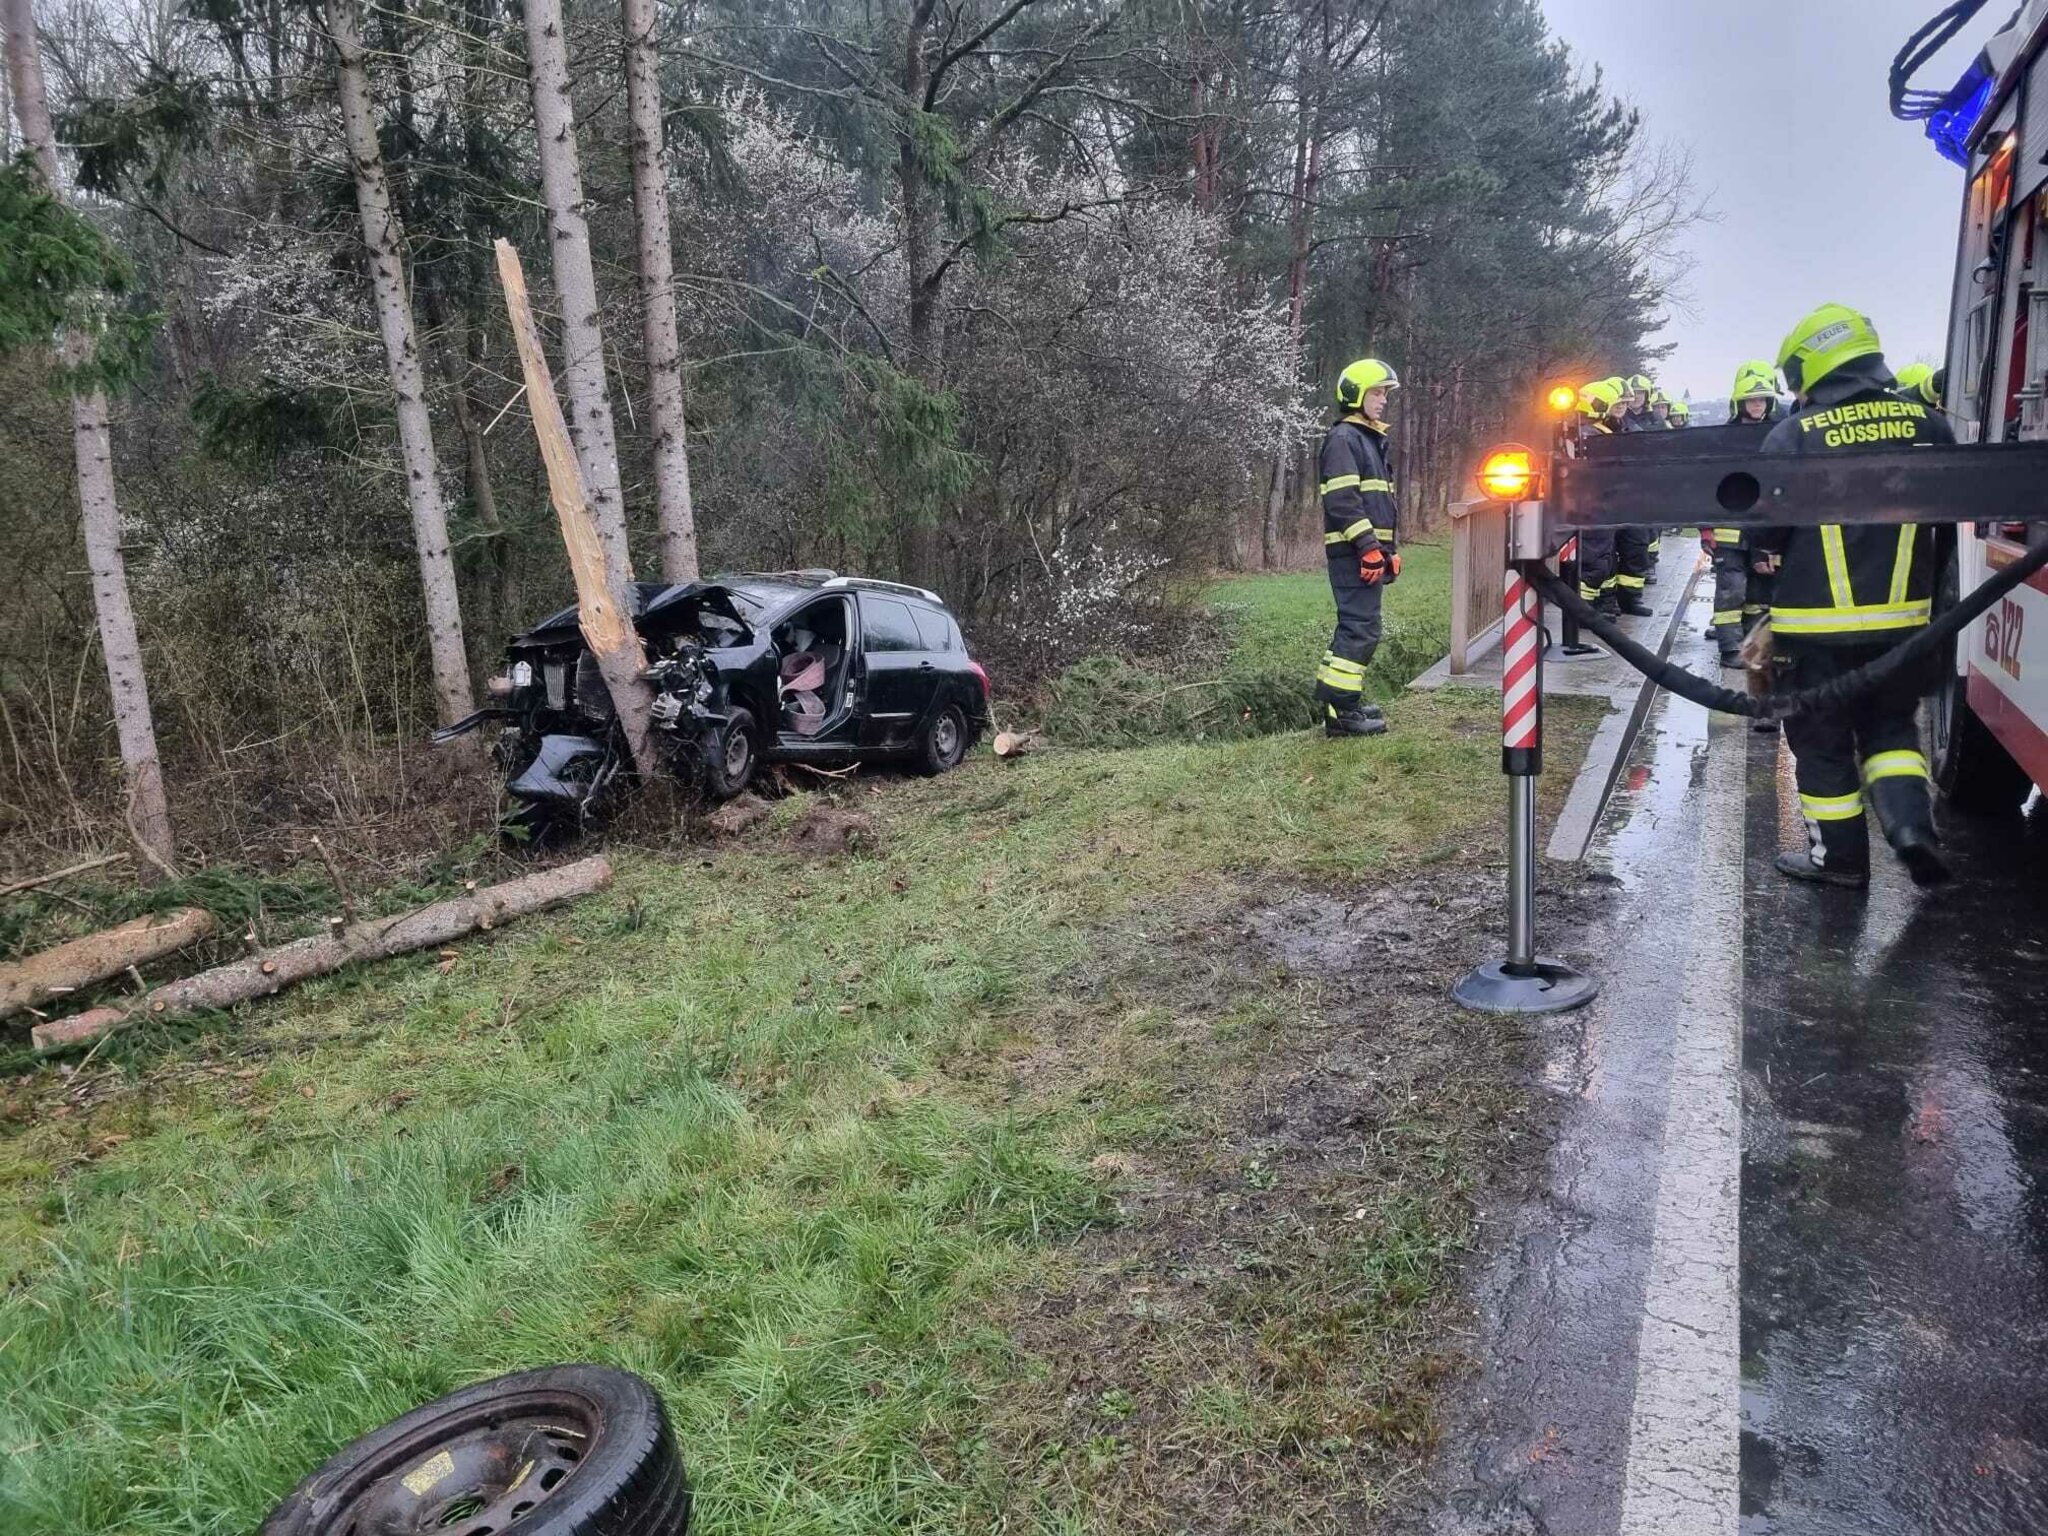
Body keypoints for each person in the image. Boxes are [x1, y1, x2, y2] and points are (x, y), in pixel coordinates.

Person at [1756, 304, 1953, 889]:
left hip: (1813, 631)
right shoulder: (1929, 425)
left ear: (1810, 364)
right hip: (1905, 629)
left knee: (1819, 743)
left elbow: (1765, 530)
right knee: (1891, 731)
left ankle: (1839, 860)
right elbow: (1948, 527)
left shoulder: (1793, 435)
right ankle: (1913, 831)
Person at [1314, 358, 1402, 737]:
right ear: (1356, 395)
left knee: (1357, 627)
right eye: (1377, 392)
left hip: (1363, 552)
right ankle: (1342, 716)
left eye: (1385, 393)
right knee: (1360, 629)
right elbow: (1343, 501)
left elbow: (1380, 504)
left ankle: (1341, 706)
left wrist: (1389, 549)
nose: (1383, 400)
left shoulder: (1366, 439)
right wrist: (1368, 547)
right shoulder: (1345, 439)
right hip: (1352, 554)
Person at [1706, 361, 1783, 663]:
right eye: (1751, 399)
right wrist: (1705, 529)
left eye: (1761, 399)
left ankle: (1752, 647)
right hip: (1729, 528)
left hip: (1763, 529)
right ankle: (1729, 649)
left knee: (1759, 591)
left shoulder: (1778, 436)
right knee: (1731, 590)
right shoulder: (1724, 438)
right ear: (1739, 403)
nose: (1756, 404)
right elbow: (1708, 485)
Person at [1573, 379, 1626, 613]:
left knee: (1604, 558)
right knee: (1594, 561)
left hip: (1602, 506)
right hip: (1594, 508)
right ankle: (1585, 611)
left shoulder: (1594, 432)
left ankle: (1603, 604)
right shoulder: (1592, 435)